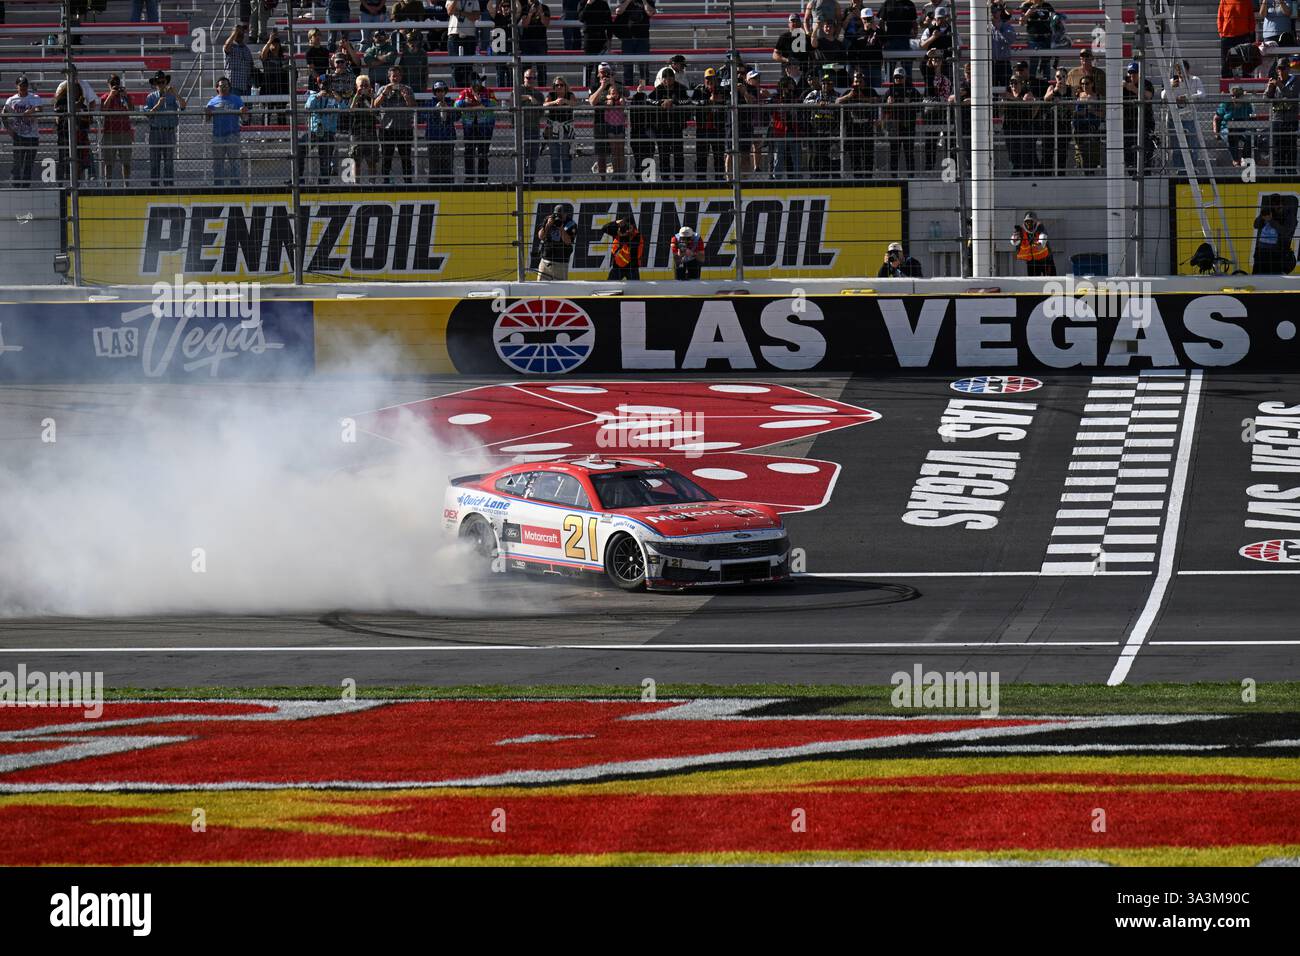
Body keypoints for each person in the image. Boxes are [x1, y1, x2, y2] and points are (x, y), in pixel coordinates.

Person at [205, 76, 249, 186]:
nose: (224, 87)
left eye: (226, 85)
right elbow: (207, 119)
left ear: (229, 87)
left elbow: (245, 118)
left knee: (234, 162)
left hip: (232, 134)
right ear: (217, 88)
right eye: (221, 86)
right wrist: (207, 113)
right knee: (218, 163)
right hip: (218, 136)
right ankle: (218, 185)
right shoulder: (212, 102)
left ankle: (235, 185)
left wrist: (243, 112)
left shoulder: (236, 99)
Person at [375, 66, 416, 183]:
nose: (396, 78)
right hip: (387, 129)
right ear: (389, 77)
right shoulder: (383, 88)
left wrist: (406, 96)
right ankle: (385, 181)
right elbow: (375, 105)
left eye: (398, 75)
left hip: (405, 128)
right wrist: (384, 93)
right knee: (386, 157)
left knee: (406, 158)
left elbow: (414, 107)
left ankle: (408, 182)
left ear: (401, 77)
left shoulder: (407, 89)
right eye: (393, 76)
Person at [457, 73, 498, 182]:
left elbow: (495, 103)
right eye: (474, 82)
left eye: (478, 81)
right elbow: (456, 105)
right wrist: (465, 102)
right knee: (469, 152)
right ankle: (469, 178)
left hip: (485, 127)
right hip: (469, 127)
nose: (476, 84)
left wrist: (481, 101)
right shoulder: (465, 92)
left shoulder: (489, 92)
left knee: (483, 152)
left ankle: (482, 179)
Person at [838, 69, 879, 174]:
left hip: (867, 130)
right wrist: (849, 96)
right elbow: (837, 101)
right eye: (856, 81)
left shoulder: (871, 91)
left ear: (864, 82)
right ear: (853, 82)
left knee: (868, 156)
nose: (858, 84)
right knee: (854, 157)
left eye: (860, 81)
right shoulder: (849, 92)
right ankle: (857, 179)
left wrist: (864, 98)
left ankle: (868, 178)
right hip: (852, 130)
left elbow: (878, 100)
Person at [652, 66, 688, 181]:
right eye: (665, 79)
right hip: (661, 129)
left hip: (676, 127)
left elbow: (687, 100)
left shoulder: (680, 88)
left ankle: (679, 179)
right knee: (664, 155)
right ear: (662, 80)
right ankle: (665, 179)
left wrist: (674, 101)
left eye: (670, 78)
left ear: (674, 78)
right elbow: (648, 100)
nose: (668, 81)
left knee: (678, 154)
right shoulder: (658, 89)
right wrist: (660, 102)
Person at [3, 76, 41, 186]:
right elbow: (4, 113)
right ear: (17, 86)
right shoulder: (11, 100)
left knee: (29, 163)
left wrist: (30, 111)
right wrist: (8, 129)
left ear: (27, 86)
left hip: (33, 136)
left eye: (25, 85)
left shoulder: (34, 97)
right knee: (17, 163)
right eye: (21, 85)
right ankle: (16, 184)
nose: (23, 87)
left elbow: (40, 108)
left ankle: (26, 185)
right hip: (18, 135)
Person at [883, 64, 921, 172]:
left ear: (904, 78)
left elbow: (920, 107)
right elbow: (883, 109)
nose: (898, 79)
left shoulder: (912, 90)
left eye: (900, 77)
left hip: (908, 124)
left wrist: (911, 104)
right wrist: (887, 103)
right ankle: (894, 176)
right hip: (894, 125)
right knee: (894, 152)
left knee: (909, 152)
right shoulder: (889, 91)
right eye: (896, 77)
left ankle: (911, 175)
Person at [805, 68, 841, 178]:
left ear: (832, 84)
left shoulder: (838, 95)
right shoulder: (814, 93)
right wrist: (817, 102)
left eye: (828, 83)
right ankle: (815, 177)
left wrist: (831, 104)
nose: (826, 85)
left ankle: (833, 178)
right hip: (816, 131)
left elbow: (841, 104)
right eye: (824, 83)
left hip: (832, 132)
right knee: (816, 155)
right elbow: (805, 102)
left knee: (832, 156)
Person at [1267, 55, 1300, 173]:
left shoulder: (1296, 80)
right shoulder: (1274, 81)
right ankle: (1278, 173)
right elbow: (1266, 98)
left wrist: (1280, 85)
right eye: (1279, 69)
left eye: (1283, 68)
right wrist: (1270, 88)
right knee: (1277, 149)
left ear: (1288, 69)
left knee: (1290, 148)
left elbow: (1291, 95)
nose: (1281, 71)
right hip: (1277, 119)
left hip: (1291, 119)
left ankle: (1291, 173)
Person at [589, 65, 623, 178]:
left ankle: (618, 176)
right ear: (598, 74)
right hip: (600, 123)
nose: (604, 75)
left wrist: (613, 83)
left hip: (615, 122)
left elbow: (624, 95)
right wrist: (602, 87)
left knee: (617, 152)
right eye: (602, 72)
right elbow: (592, 102)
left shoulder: (616, 84)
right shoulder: (594, 86)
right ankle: (602, 179)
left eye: (607, 72)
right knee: (601, 153)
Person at [692, 67, 727, 178]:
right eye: (708, 79)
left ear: (716, 79)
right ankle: (701, 180)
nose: (710, 81)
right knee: (701, 156)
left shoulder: (722, 90)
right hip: (702, 129)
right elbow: (692, 102)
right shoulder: (699, 90)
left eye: (712, 79)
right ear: (704, 79)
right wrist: (708, 101)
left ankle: (719, 179)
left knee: (719, 156)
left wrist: (721, 101)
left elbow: (728, 102)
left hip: (718, 129)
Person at [99, 74, 134, 184]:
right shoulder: (105, 97)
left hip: (125, 132)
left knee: (126, 162)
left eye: (117, 83)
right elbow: (103, 110)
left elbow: (132, 110)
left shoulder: (124, 96)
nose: (115, 85)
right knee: (109, 162)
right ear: (108, 84)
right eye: (112, 83)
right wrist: (111, 95)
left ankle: (126, 184)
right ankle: (107, 185)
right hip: (110, 133)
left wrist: (126, 96)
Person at [613, 0, 656, 89]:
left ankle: (643, 89)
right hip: (628, 38)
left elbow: (650, 12)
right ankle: (628, 91)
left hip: (642, 38)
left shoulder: (647, 1)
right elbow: (618, 11)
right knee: (627, 67)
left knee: (643, 68)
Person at [306, 77, 341, 184]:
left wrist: (338, 99)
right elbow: (308, 107)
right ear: (318, 84)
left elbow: (345, 109)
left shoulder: (335, 97)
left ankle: (324, 183)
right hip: (314, 131)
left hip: (328, 131)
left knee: (325, 158)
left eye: (327, 84)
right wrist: (317, 97)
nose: (324, 86)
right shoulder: (313, 96)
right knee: (299, 149)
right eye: (322, 83)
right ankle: (299, 179)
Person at [768, 76, 805, 179]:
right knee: (778, 157)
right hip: (780, 131)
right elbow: (770, 113)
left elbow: (800, 113)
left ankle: (797, 178)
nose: (788, 89)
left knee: (796, 158)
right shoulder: (775, 99)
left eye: (790, 86)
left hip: (794, 131)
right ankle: (776, 179)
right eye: (786, 86)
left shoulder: (797, 99)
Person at [543, 76, 577, 181]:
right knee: (554, 156)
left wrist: (565, 101)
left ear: (565, 86)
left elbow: (575, 104)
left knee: (566, 155)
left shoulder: (570, 95)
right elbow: (544, 104)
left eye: (561, 85)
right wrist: (555, 102)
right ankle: (556, 179)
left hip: (566, 129)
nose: (559, 87)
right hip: (553, 129)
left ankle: (567, 179)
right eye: (556, 85)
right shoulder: (551, 95)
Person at [1042, 64, 1074, 173]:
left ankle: (1061, 173)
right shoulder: (1051, 88)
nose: (1060, 79)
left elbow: (1074, 105)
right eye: (1058, 77)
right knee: (1048, 150)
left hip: (1064, 124)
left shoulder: (1070, 89)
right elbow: (1046, 98)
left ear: (1066, 77)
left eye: (1063, 77)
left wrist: (1065, 103)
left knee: (1062, 151)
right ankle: (1046, 173)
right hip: (1050, 124)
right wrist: (1055, 90)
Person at [424, 79, 458, 182]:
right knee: (434, 166)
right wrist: (435, 110)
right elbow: (424, 116)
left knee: (447, 166)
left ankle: (449, 188)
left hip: (447, 138)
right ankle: (433, 188)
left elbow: (456, 117)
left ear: (445, 91)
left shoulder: (451, 102)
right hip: (433, 138)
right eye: (438, 90)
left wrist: (448, 109)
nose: (440, 92)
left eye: (442, 90)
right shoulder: (429, 103)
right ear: (435, 92)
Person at [349, 75, 380, 181]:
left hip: (370, 132)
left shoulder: (373, 97)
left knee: (371, 160)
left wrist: (372, 98)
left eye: (365, 85)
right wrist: (356, 97)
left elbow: (374, 112)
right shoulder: (354, 97)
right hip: (357, 133)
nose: (363, 88)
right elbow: (351, 110)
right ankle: (356, 184)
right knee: (356, 160)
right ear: (356, 86)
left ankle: (372, 183)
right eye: (361, 85)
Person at [877, 0, 917, 81]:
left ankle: (908, 88)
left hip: (906, 40)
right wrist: (883, 38)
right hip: (890, 40)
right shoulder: (887, 3)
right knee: (889, 71)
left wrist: (915, 33)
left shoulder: (910, 4)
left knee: (907, 69)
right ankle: (889, 91)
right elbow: (881, 22)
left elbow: (914, 21)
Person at [579, 0, 614, 88]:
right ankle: (586, 90)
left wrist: (609, 40)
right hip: (589, 40)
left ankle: (598, 90)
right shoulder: (583, 3)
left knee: (601, 69)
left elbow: (609, 23)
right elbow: (581, 18)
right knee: (588, 68)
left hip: (601, 39)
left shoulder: (603, 4)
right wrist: (588, 4)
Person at [446, 0, 482, 89]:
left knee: (468, 68)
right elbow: (450, 11)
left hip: (469, 36)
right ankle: (457, 95)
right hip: (454, 35)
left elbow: (476, 16)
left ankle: (467, 94)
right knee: (456, 68)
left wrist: (461, 12)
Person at [536, 205, 578, 280]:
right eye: (556, 214)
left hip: (561, 263)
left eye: (560, 215)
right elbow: (540, 236)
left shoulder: (571, 224)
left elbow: (568, 242)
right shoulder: (549, 219)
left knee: (561, 288)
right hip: (546, 260)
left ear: (565, 214)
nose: (558, 217)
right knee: (540, 287)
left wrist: (561, 228)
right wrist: (547, 225)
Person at [1020, 0, 1057, 81]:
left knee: (1046, 63)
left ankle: (1046, 85)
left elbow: (1054, 20)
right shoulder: (1026, 5)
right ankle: (1032, 85)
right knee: (1034, 62)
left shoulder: (1047, 5)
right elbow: (1021, 22)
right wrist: (1029, 12)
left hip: (1046, 39)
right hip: (1034, 39)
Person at [1218, 0, 1256, 78]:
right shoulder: (1224, 0)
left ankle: (1247, 85)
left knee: (1245, 61)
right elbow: (1220, 17)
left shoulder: (1247, 1)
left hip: (1243, 36)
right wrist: (1221, 32)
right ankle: (1226, 83)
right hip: (1227, 36)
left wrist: (1251, 32)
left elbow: (1251, 17)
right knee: (1226, 62)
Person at [518, 68, 544, 179]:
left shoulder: (539, 94)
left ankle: (530, 178)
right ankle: (521, 179)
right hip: (521, 128)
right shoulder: (519, 89)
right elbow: (514, 99)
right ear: (524, 78)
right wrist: (528, 97)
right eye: (528, 78)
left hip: (534, 127)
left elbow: (541, 111)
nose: (530, 80)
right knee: (522, 156)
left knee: (533, 156)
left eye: (533, 78)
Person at [1011, 210, 1055, 275]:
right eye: (1026, 221)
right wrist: (1015, 238)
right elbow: (1014, 242)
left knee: (1051, 280)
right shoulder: (1021, 231)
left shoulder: (1039, 227)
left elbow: (1043, 236)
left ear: (1034, 222)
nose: (1028, 224)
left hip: (1046, 259)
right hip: (1032, 261)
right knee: (1033, 281)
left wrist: (1040, 244)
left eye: (1030, 221)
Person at [519, 1, 553, 86]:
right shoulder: (524, 8)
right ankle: (525, 89)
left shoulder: (545, 8)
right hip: (527, 42)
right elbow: (524, 24)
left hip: (540, 41)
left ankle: (542, 89)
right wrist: (530, 14)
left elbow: (546, 24)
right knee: (526, 67)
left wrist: (541, 13)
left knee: (541, 68)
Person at [601, 214, 644, 280]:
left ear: (633, 226)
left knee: (635, 288)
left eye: (629, 227)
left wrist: (624, 235)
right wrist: (618, 222)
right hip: (617, 266)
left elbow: (632, 249)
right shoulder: (619, 231)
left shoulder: (637, 236)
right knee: (609, 285)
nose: (626, 229)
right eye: (625, 226)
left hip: (632, 267)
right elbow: (604, 228)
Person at [224, 24, 255, 98]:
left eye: (242, 32)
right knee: (234, 108)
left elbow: (251, 64)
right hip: (234, 85)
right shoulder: (231, 47)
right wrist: (235, 33)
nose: (240, 34)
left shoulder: (246, 49)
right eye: (238, 32)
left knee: (247, 108)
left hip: (246, 86)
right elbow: (226, 47)